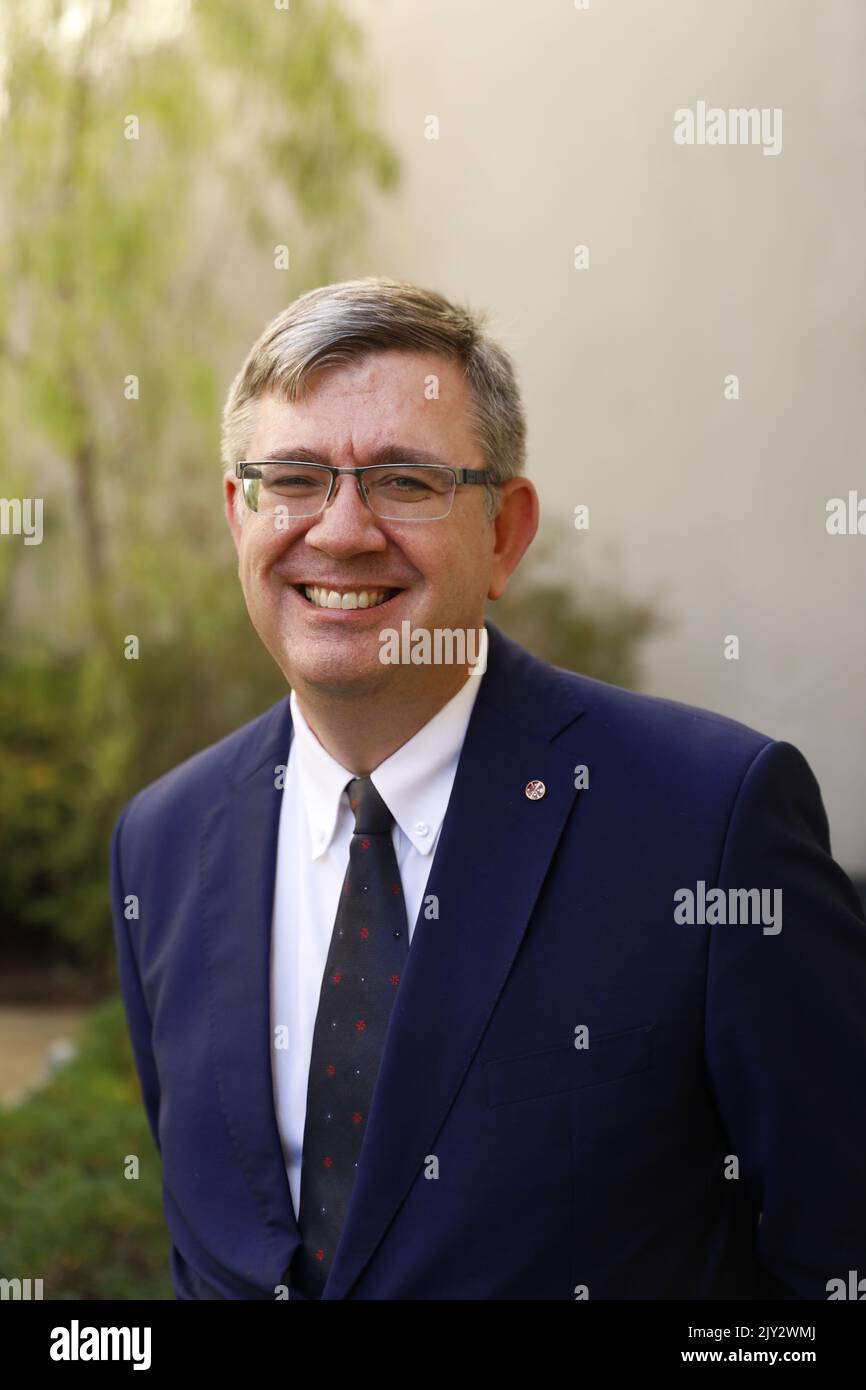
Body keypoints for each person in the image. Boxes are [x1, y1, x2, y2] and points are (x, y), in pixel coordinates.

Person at [110, 276, 866, 1300]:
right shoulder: (161, 842)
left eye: (405, 482)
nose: (338, 531)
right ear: (237, 514)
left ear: (504, 533)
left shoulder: (711, 823)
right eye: (291, 478)